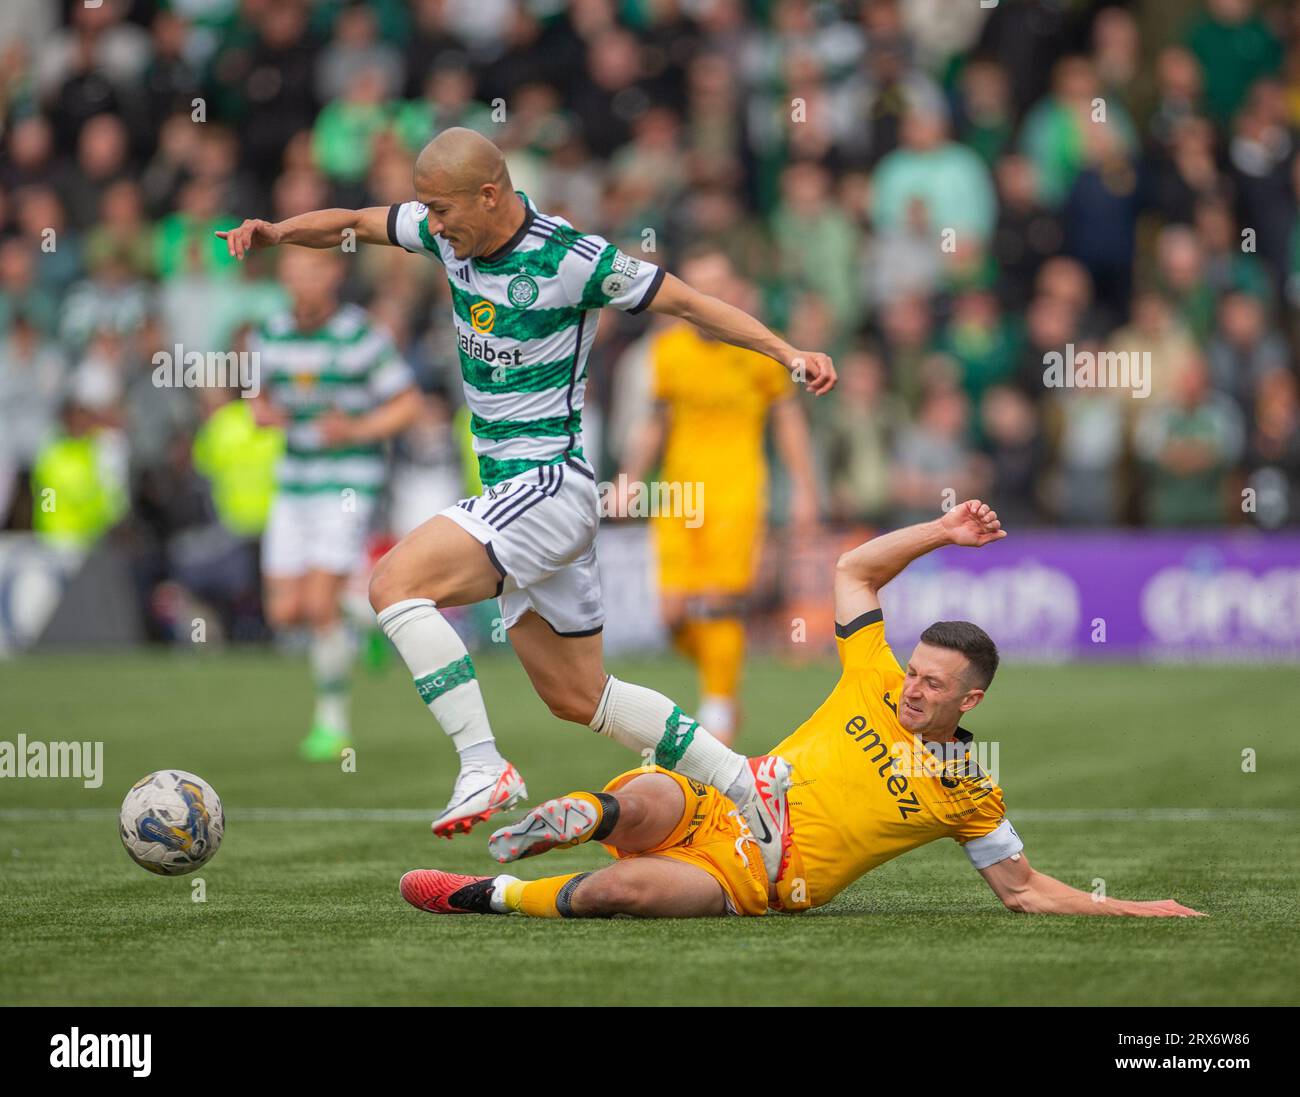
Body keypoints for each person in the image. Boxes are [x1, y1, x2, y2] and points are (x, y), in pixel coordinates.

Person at [217, 128, 837, 885]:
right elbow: (352, 221)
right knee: (581, 696)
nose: (432, 225)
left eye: (442, 210)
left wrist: (787, 352)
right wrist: (278, 230)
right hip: (517, 495)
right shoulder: (447, 236)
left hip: (549, 484)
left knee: (392, 585)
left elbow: (689, 302)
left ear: (490, 193)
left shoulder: (572, 258)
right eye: (426, 212)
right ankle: (750, 783)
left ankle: (483, 765)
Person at [398, 500, 1204, 921]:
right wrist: (942, 531)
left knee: (623, 897)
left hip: (753, 877)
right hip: (726, 795)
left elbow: (1024, 891)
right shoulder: (873, 677)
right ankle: (583, 813)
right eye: (914, 671)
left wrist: (1131, 906)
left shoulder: (970, 792)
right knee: (652, 793)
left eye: (931, 684)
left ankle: (483, 895)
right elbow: (854, 570)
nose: (912, 687)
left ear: (972, 700)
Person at [617, 246, 819, 744]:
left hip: (737, 493)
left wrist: (805, 490)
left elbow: (788, 421)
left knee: (719, 604)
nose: (707, 296)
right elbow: (656, 422)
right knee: (671, 614)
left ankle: (719, 708)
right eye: (698, 286)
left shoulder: (759, 349)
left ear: (734, 291)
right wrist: (628, 478)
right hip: (678, 495)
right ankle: (720, 681)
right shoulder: (668, 351)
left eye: (717, 286)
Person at [249, 247, 422, 759]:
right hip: (294, 480)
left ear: (333, 274)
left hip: (348, 482)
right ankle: (369, 618)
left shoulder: (361, 336)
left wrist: (356, 429)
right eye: (293, 272)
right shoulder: (271, 334)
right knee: (284, 613)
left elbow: (408, 404)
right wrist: (260, 411)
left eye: (311, 271)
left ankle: (331, 724)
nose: (301, 281)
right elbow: (258, 396)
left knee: (318, 605)